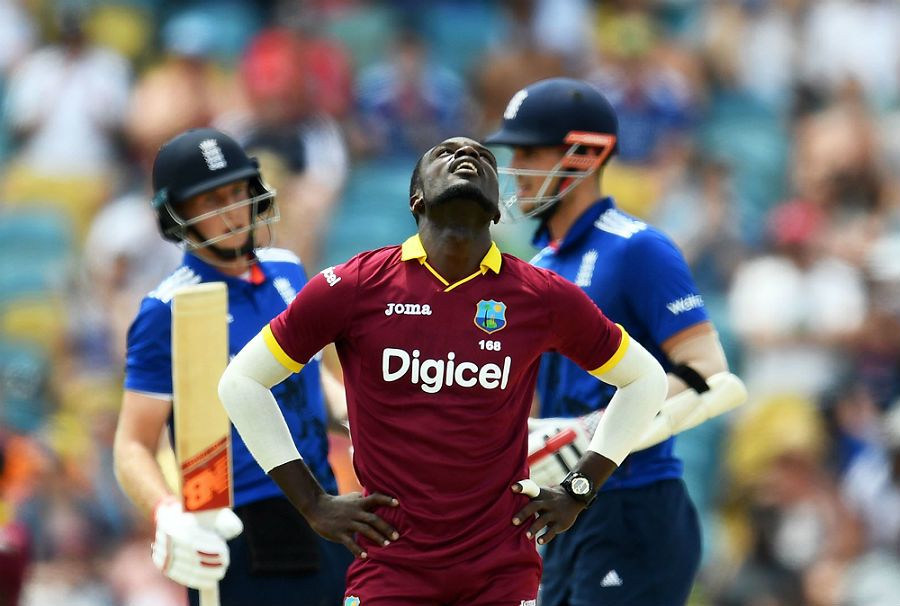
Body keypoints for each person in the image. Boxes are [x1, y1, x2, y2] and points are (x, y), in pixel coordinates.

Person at [216, 135, 669, 606]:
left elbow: (645, 380)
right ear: (417, 198)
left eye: (484, 157)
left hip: (502, 570)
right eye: (444, 155)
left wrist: (578, 489)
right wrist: (312, 503)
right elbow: (241, 382)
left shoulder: (543, 297)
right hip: (390, 567)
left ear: (496, 207)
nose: (467, 155)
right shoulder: (352, 286)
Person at [485, 77, 735, 606]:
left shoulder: (638, 249)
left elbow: (707, 367)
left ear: (583, 155)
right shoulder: (542, 265)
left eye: (529, 151)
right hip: (562, 511)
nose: (517, 169)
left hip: (633, 505)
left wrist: (592, 432)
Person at [112, 127, 351, 606]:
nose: (231, 211)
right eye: (209, 199)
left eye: (237, 192)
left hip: (322, 505)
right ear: (176, 212)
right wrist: (167, 512)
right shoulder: (167, 308)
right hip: (234, 524)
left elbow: (314, 378)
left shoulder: (289, 270)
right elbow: (133, 443)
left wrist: (368, 421)